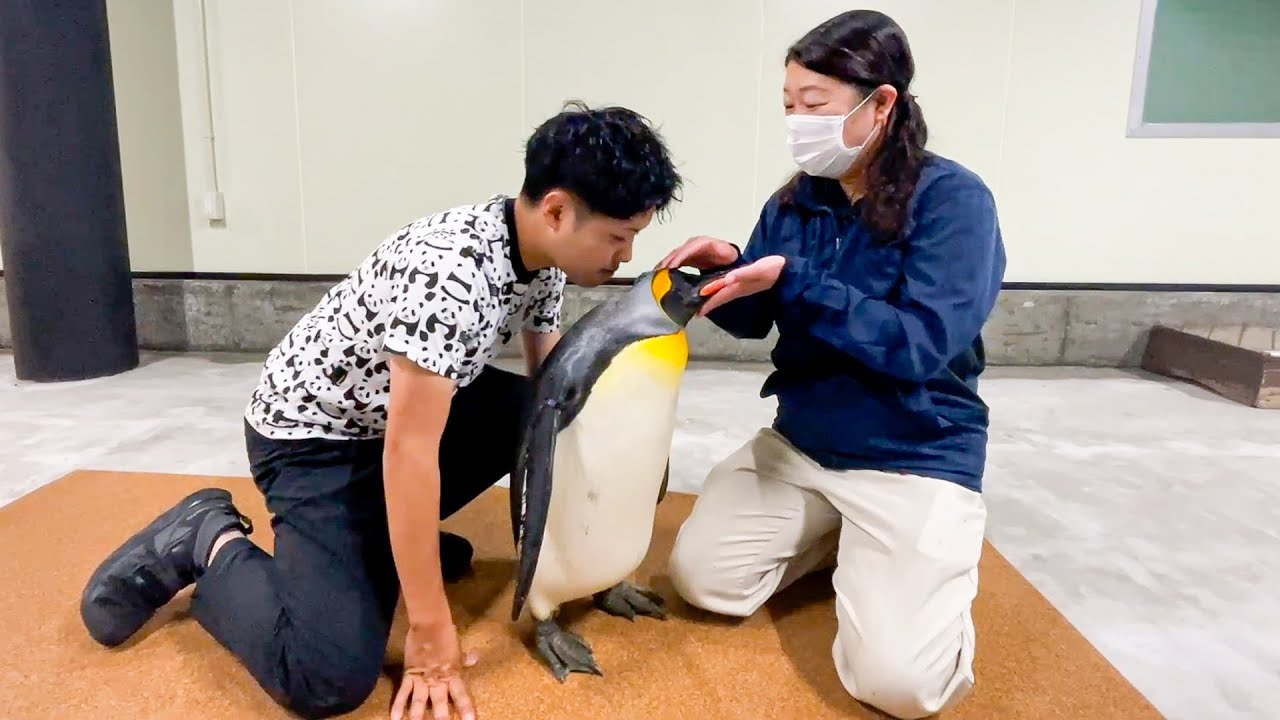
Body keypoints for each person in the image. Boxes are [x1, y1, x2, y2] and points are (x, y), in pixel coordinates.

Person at [79, 101, 683, 720]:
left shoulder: (542, 257)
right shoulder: (451, 275)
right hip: (312, 442)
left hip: (388, 420)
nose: (625, 257)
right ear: (557, 210)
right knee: (327, 678)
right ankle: (207, 535)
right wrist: (427, 628)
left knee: (543, 411)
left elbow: (552, 400)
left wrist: (592, 564)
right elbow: (409, 454)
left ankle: (374, 545)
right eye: (618, 237)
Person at [659, 10, 1006, 720]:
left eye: (813, 105)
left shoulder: (953, 201)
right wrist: (717, 274)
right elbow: (757, 318)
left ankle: (923, 563)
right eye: (789, 106)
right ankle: (845, 544)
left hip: (915, 452)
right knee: (705, 582)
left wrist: (795, 282)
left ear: (880, 104)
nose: (797, 123)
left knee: (901, 687)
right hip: (805, 444)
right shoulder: (795, 202)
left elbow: (919, 344)